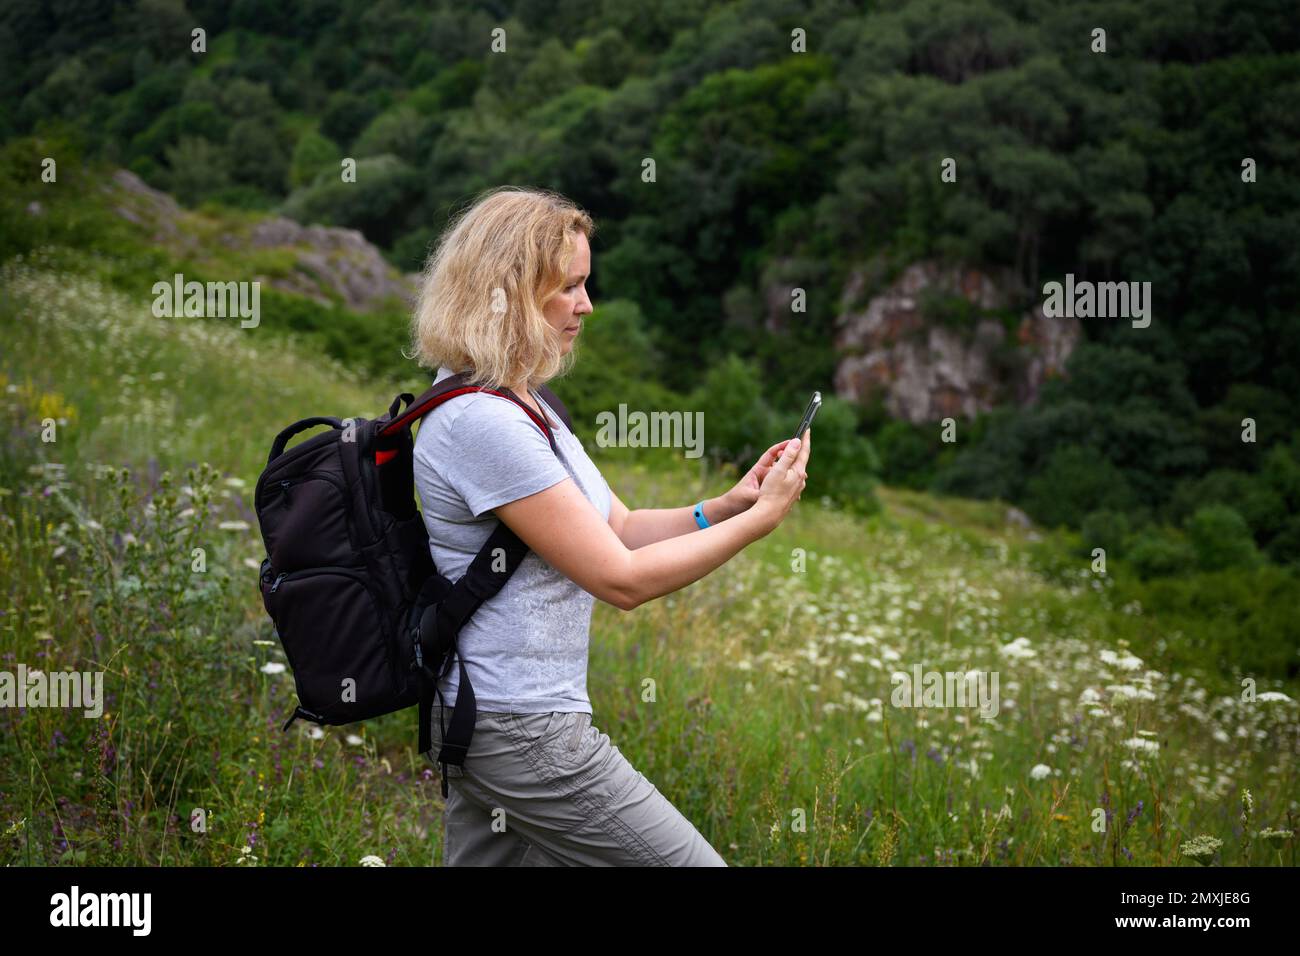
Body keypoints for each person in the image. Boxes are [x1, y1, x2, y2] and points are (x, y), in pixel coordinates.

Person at [408, 185, 812, 866]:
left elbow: (618, 528)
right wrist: (764, 523)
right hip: (520, 727)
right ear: (508, 292)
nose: (586, 305)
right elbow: (620, 580)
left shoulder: (526, 402)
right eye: (569, 287)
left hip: (494, 721)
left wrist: (731, 503)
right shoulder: (484, 421)